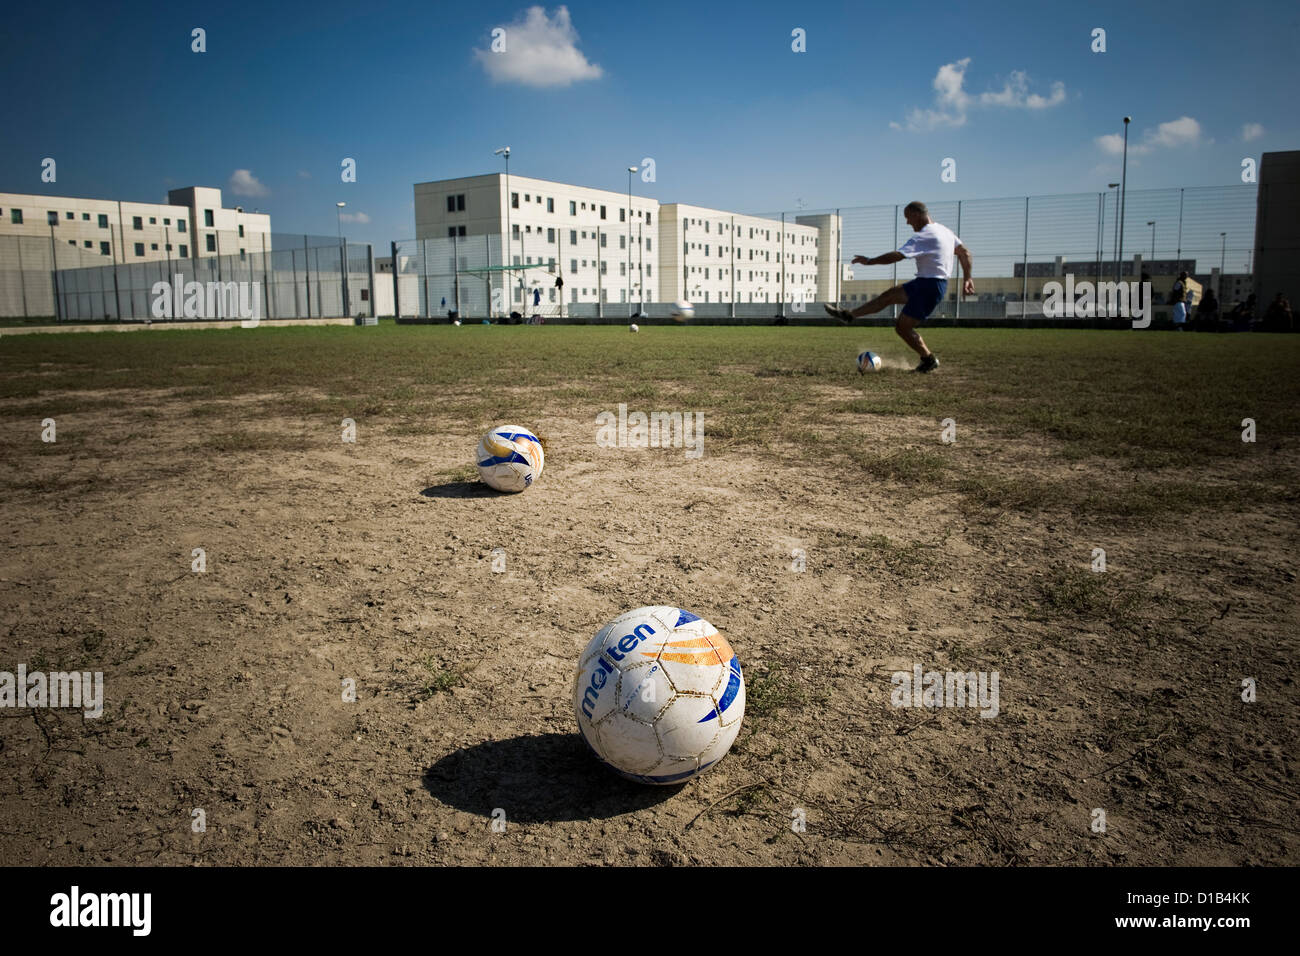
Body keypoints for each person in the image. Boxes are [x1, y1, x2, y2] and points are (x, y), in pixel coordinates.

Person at [824, 201, 973, 372]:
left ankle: (928, 359)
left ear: (917, 214)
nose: (908, 222)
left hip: (930, 286)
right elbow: (964, 252)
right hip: (924, 282)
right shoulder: (945, 231)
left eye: (908, 218)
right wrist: (968, 277)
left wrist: (870, 261)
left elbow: (898, 255)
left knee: (903, 327)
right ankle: (848, 315)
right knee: (889, 296)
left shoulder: (925, 235)